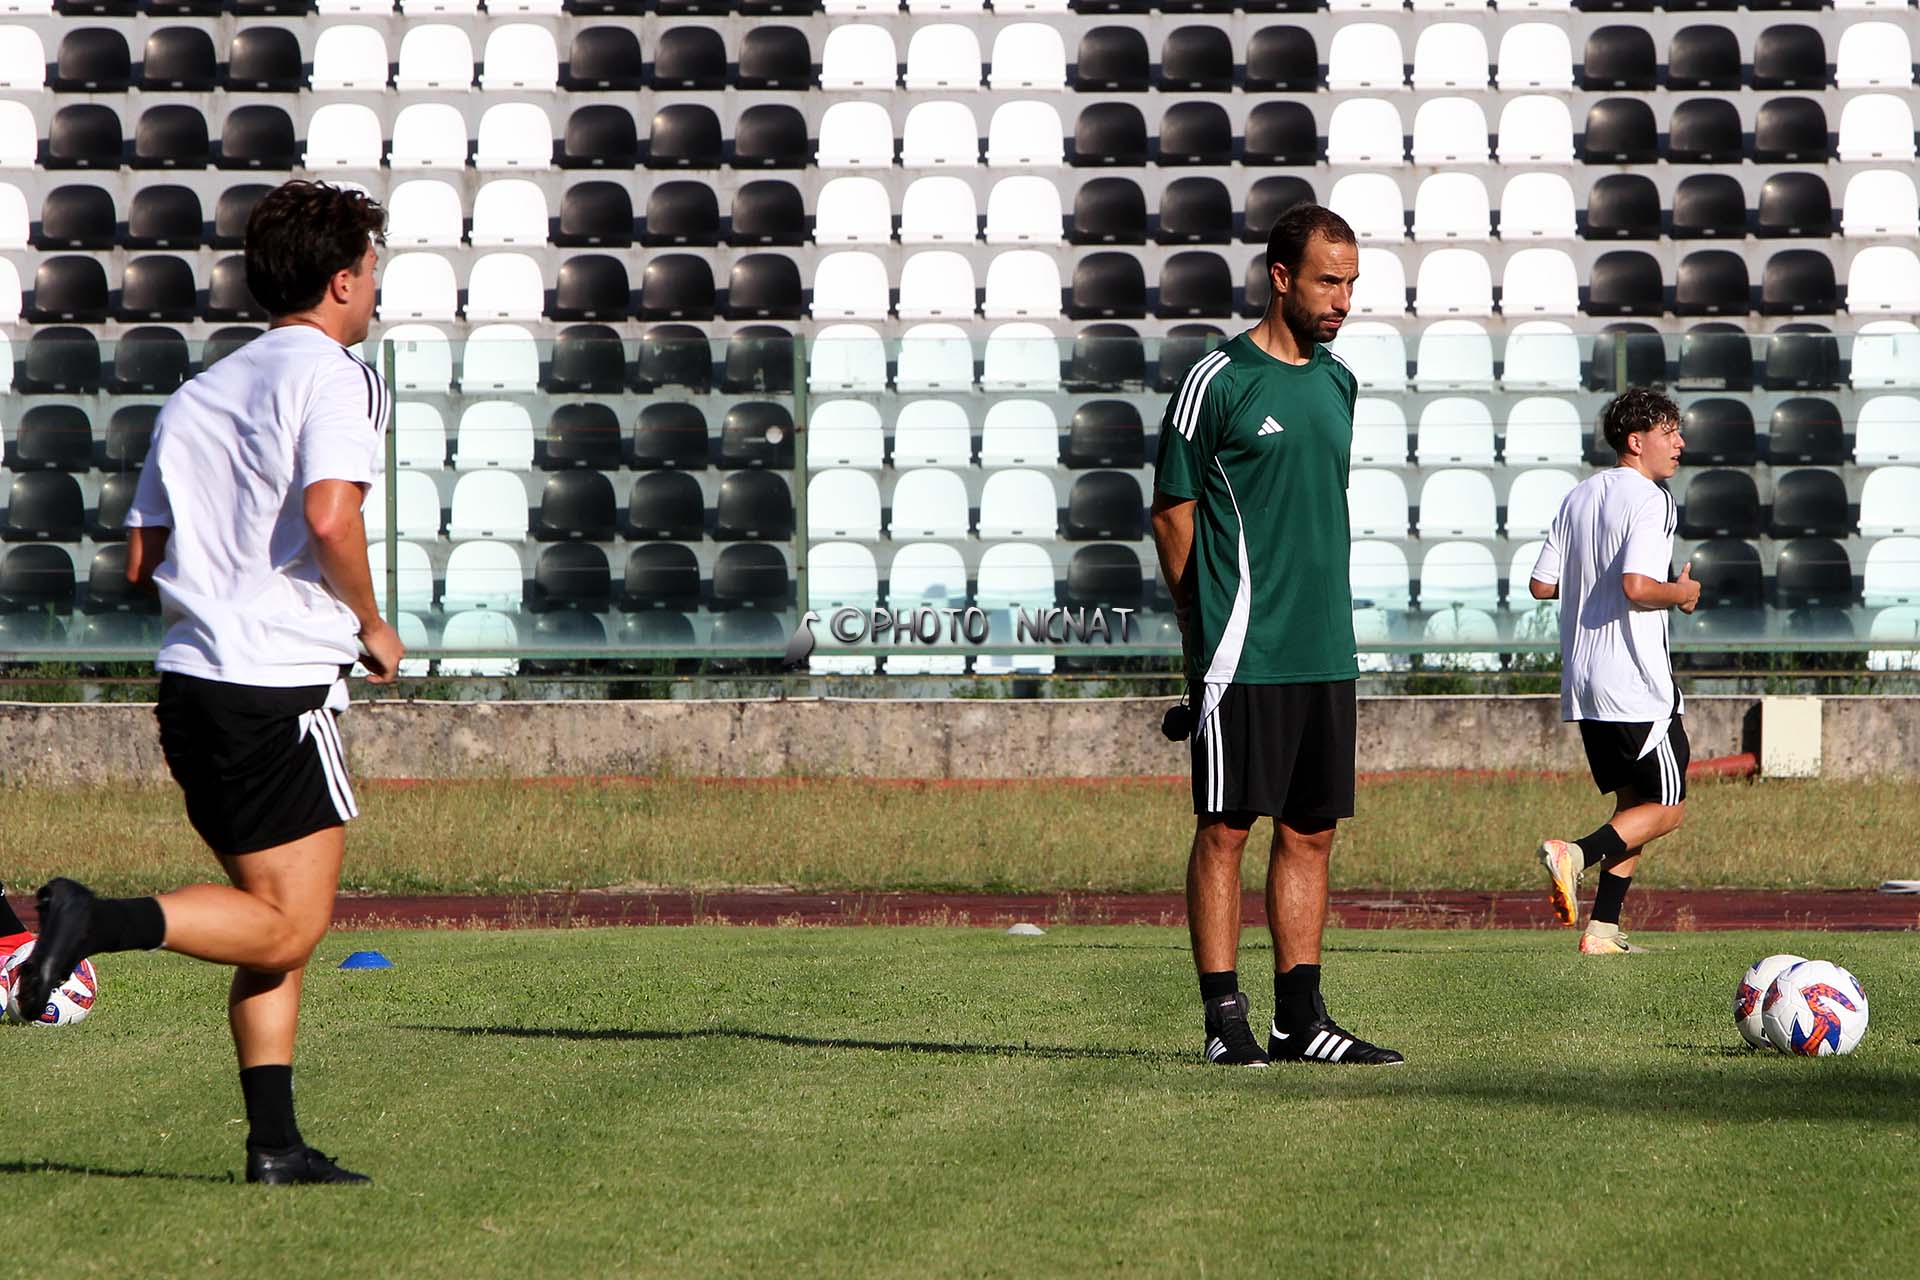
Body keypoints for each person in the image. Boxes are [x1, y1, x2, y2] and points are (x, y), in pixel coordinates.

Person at [10, 180, 403, 1183]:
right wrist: (370, 621)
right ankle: (94, 918)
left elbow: (142, 553)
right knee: (291, 921)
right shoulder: (339, 375)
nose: (373, 288)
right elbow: (327, 516)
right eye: (369, 270)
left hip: (191, 682)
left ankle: (274, 1145)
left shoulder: (201, 391)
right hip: (275, 684)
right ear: (340, 279)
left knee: (269, 923)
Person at [1150, 204, 1402, 1068]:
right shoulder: (1216, 380)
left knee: (1311, 833)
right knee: (1226, 827)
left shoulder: (1339, 382)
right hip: (1241, 652)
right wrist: (1200, 626)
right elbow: (1172, 511)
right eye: (1329, 282)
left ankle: (1301, 1020)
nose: (1343, 301)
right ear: (1281, 277)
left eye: (1353, 284)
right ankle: (1226, 1024)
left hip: (1326, 648)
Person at [1528, 388, 1699, 955]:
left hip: (1585, 683)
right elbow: (1637, 588)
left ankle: (1601, 930)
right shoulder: (1654, 499)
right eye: (1669, 431)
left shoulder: (1577, 497)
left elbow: (1542, 585)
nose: (1679, 442)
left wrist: (1588, 580)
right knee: (1667, 809)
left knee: (1634, 809)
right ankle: (1574, 853)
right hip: (1638, 685)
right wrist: (1681, 592)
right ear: (1636, 440)